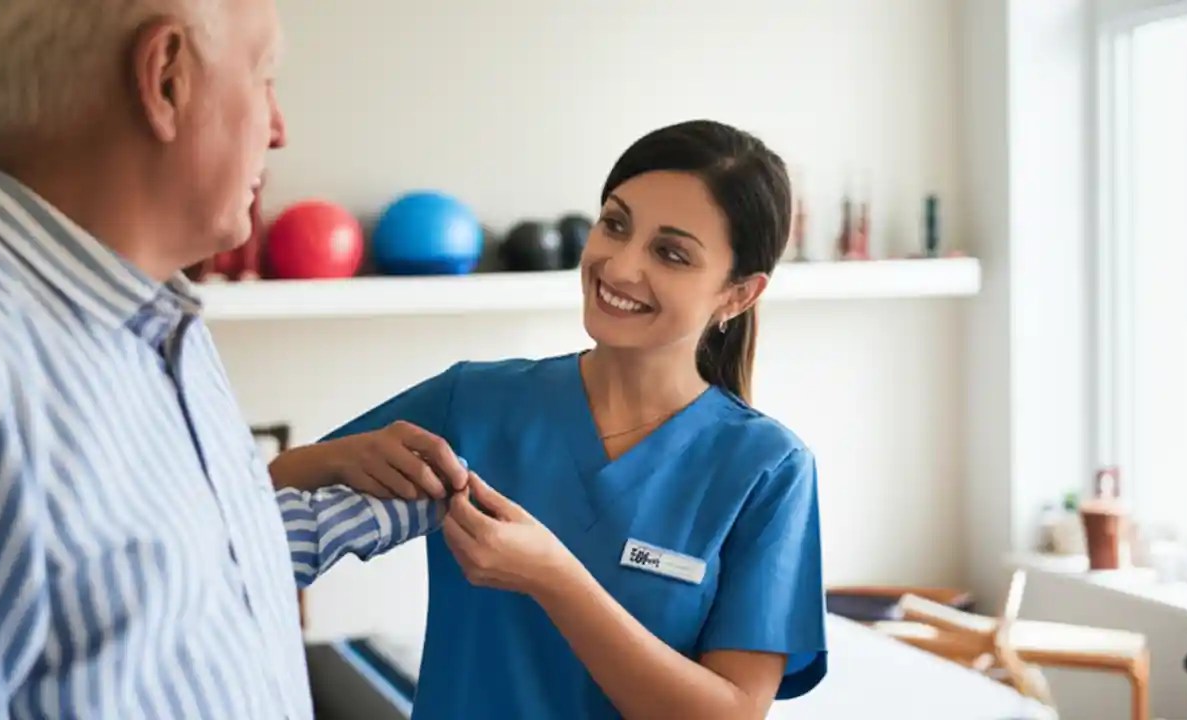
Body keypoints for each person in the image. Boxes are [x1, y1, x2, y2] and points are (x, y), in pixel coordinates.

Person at [0, 1, 468, 717]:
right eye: (265, 78)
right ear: (165, 79)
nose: (280, 129)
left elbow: (182, 574)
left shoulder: (159, 317)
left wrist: (394, 507)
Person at [273, 119, 828, 719]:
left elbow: (732, 713)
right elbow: (251, 500)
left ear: (738, 294)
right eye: (615, 224)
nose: (618, 268)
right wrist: (333, 457)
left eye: (670, 253)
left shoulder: (768, 470)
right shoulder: (473, 401)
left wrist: (554, 580)